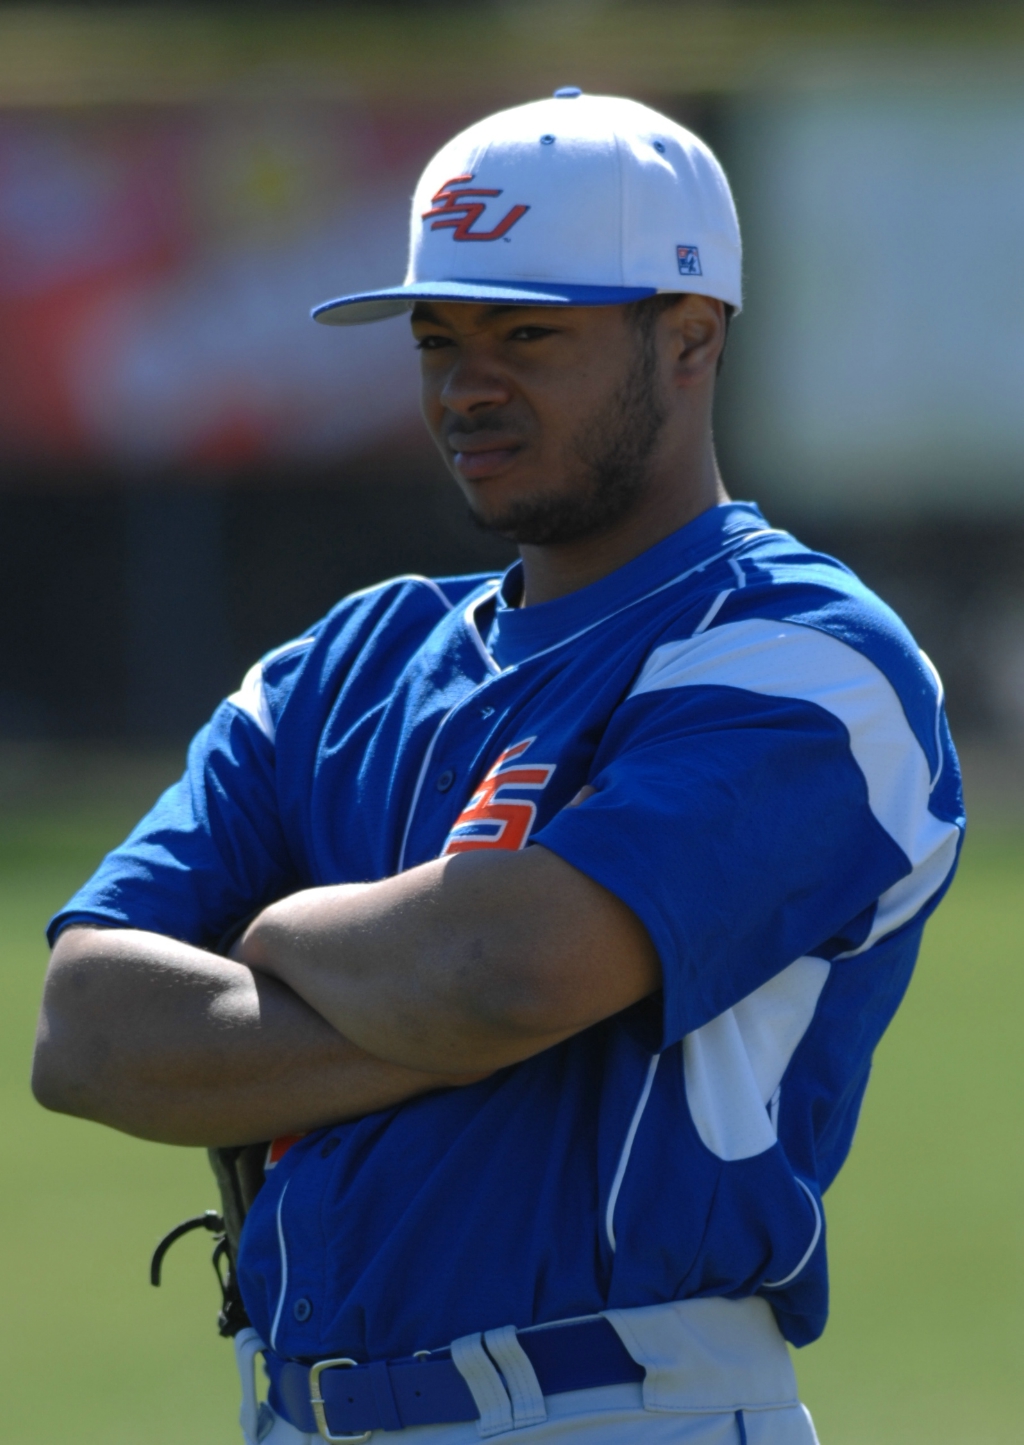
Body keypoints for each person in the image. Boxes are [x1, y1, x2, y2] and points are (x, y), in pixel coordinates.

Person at [33, 92, 964, 1445]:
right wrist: (436, 1006)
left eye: (528, 334)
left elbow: (504, 972)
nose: (467, 385)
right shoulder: (341, 664)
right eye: (438, 338)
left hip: (619, 1406)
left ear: (691, 336)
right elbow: (88, 1030)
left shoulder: (805, 656)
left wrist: (270, 937)